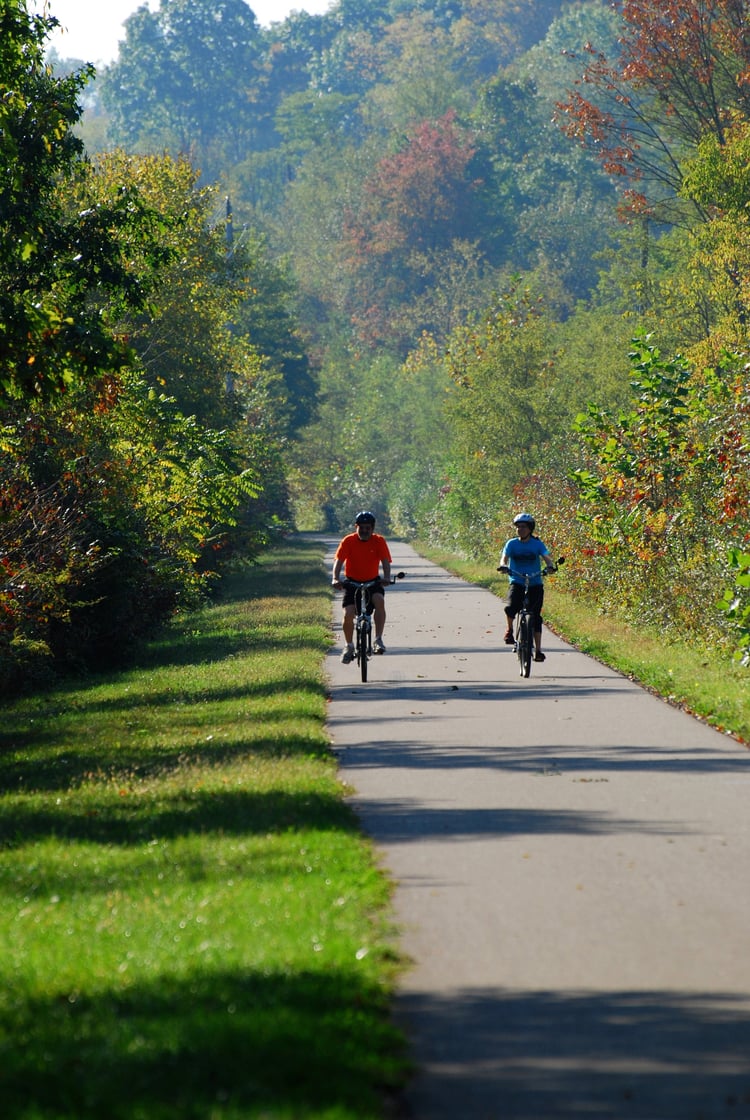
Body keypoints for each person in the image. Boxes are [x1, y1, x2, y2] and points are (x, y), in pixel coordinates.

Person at [332, 510, 392, 663]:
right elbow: (338, 562)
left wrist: (386, 578)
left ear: (372, 528)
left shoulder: (379, 541)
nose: (365, 531)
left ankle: (378, 640)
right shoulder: (348, 541)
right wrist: (335, 578)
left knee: (379, 600)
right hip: (352, 582)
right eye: (361, 527)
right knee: (348, 614)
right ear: (356, 526)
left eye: (368, 528)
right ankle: (349, 646)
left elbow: (385, 562)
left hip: (373, 582)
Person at [498, 512, 556, 662]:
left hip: (535, 582)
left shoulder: (537, 544)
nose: (520, 529)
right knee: (511, 607)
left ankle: (538, 651)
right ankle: (510, 631)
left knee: (536, 617)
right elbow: (504, 557)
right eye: (518, 527)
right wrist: (503, 566)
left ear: (530, 528)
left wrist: (550, 566)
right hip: (517, 580)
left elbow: (547, 557)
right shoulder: (512, 544)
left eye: (523, 527)